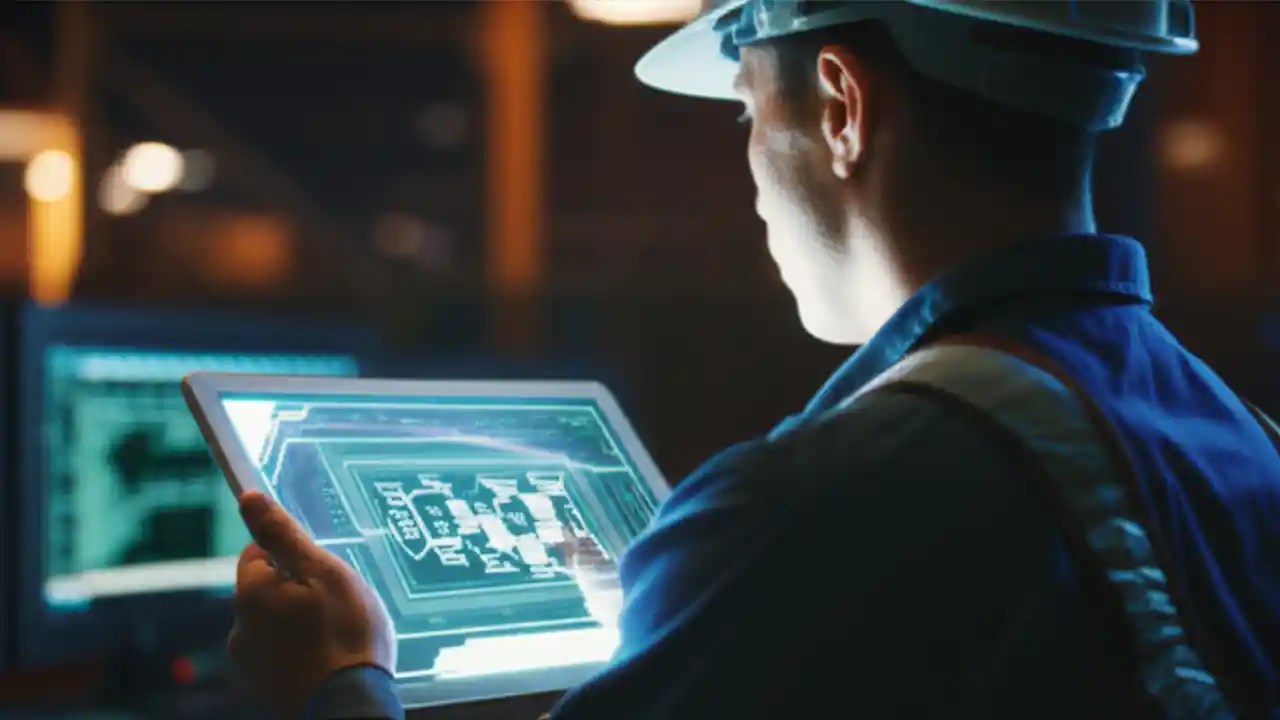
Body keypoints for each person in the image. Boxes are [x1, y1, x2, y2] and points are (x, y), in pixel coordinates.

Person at [230, 1, 1280, 718]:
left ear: (838, 107)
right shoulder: (1227, 435)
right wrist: (708, 604)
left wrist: (334, 684)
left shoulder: (826, 501)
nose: (747, 169)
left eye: (743, 107)